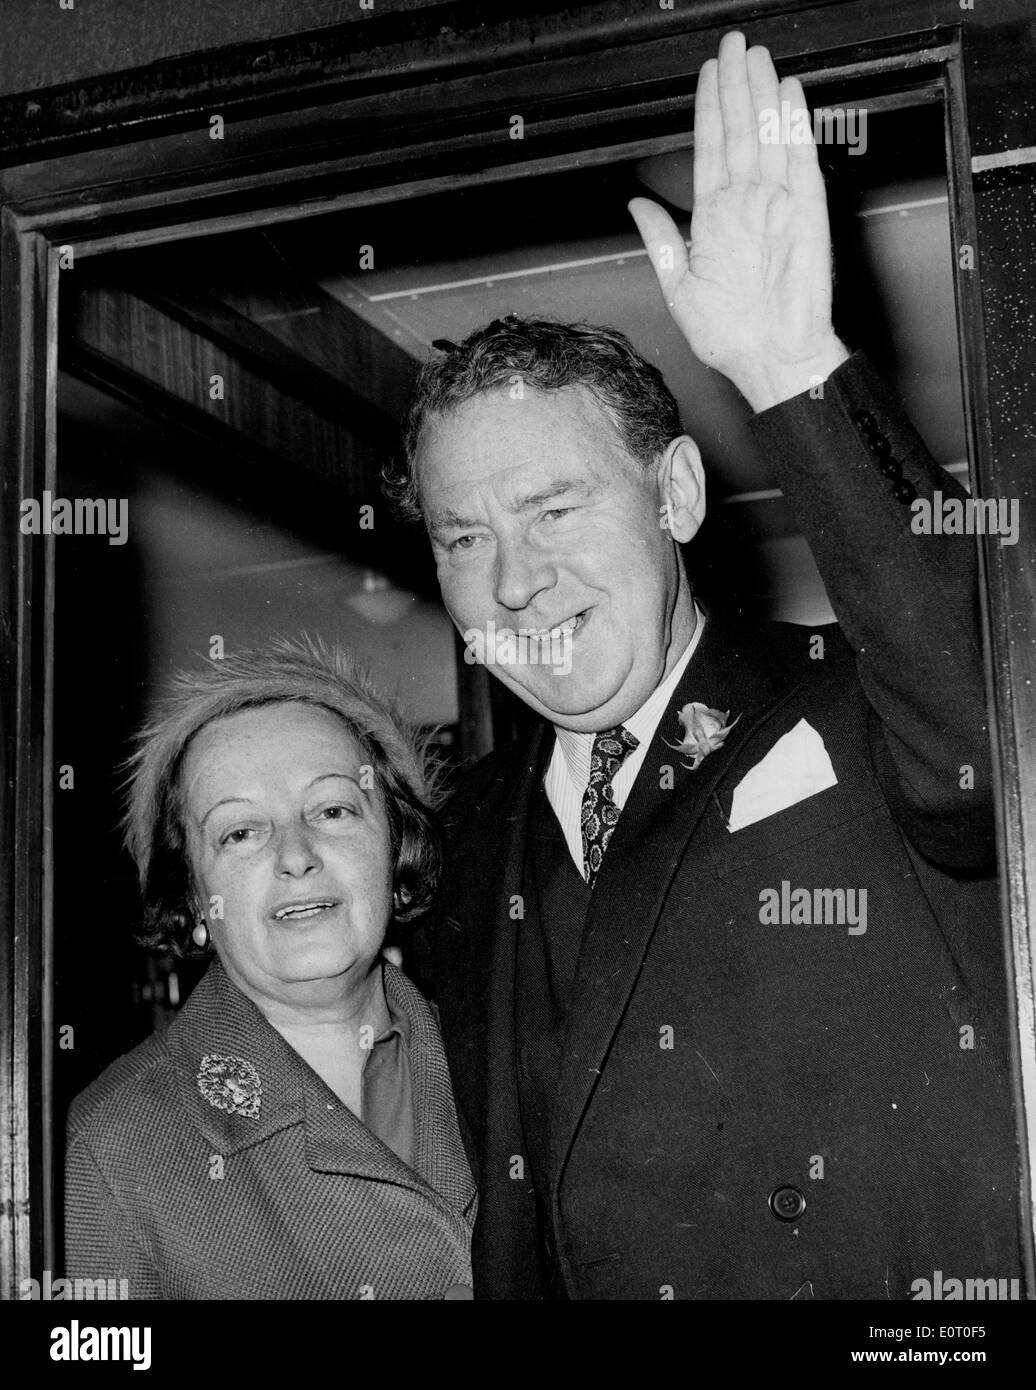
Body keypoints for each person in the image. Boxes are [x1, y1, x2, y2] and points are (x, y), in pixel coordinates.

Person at [385, 33, 1024, 1298]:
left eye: (555, 509)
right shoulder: (470, 841)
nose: (514, 582)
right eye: (466, 537)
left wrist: (792, 367)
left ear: (675, 493)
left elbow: (983, 750)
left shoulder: (854, 702)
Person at [64, 638, 475, 1300]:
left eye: (333, 810)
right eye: (240, 832)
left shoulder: (499, 1053)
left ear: (397, 849)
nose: (296, 855)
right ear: (194, 896)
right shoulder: (118, 1143)